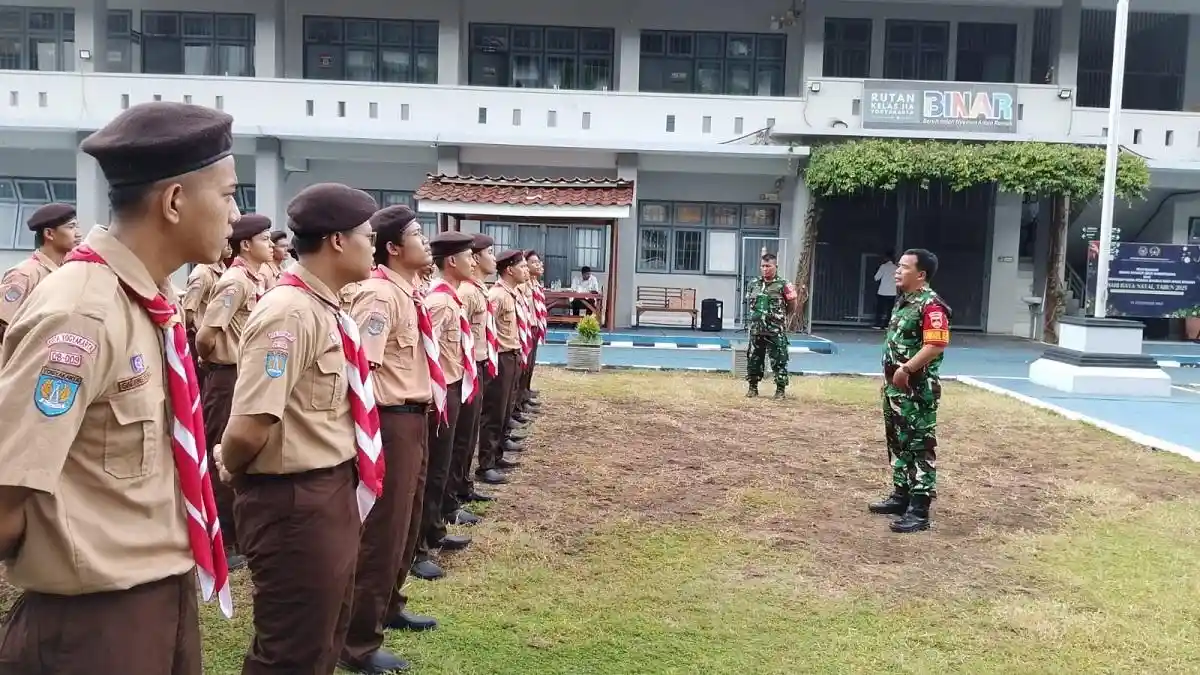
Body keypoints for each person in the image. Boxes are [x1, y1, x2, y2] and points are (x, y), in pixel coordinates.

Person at [0, 100, 237, 673]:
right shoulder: (83, 313)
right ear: (175, 201)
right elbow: (6, 491)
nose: (237, 214)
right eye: (229, 194)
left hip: (163, 592)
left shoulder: (154, 302)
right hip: (92, 624)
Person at [215, 182, 383, 674]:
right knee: (292, 648)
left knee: (324, 631)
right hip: (293, 501)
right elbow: (249, 425)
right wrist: (232, 466)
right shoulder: (288, 312)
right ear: (337, 241)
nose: (371, 246)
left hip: (326, 489)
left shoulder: (324, 306)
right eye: (366, 236)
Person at [339, 205, 438, 672]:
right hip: (390, 419)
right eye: (418, 234)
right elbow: (362, 372)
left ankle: (388, 606)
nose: (427, 241)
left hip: (413, 417)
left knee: (406, 520)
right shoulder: (380, 296)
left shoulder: (409, 292)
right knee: (383, 530)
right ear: (393, 248)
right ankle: (357, 640)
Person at [195, 213, 274, 571]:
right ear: (246, 245)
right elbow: (206, 335)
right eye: (265, 239)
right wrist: (215, 366)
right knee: (221, 452)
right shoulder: (234, 282)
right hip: (227, 375)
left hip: (243, 374)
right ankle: (224, 537)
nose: (271, 245)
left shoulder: (255, 278)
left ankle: (240, 530)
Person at [868, 248, 950, 534]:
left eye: (904, 267)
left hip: (916, 390)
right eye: (898, 266)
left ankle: (919, 509)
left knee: (919, 446)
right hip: (895, 390)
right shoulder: (905, 302)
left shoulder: (932, 305)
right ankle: (901, 495)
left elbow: (936, 343)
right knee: (898, 443)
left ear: (921, 274)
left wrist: (906, 369)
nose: (897, 271)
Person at [418, 231, 482, 578]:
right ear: (452, 261)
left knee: (447, 462)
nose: (473, 262)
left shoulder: (451, 297)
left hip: (455, 383)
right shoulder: (439, 301)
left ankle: (435, 530)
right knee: (435, 469)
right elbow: (423, 351)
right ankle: (420, 546)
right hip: (441, 391)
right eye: (468, 256)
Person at [448, 233, 500, 498]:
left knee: (468, 435)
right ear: (476, 258)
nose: (494, 258)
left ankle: (463, 484)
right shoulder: (467, 292)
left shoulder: (478, 289)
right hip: (467, 368)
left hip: (479, 364)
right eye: (490, 253)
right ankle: (456, 489)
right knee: (462, 437)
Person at [476, 249, 528, 485]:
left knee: (505, 409)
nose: (525, 270)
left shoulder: (511, 293)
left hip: (512, 354)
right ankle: (486, 463)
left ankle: (496, 456)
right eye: (522, 266)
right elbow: (488, 330)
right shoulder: (496, 295)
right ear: (509, 269)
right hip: (501, 356)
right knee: (494, 412)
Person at [0, 203, 81, 342]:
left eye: (77, 226)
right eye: (71, 227)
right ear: (49, 233)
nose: (78, 233)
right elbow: (3, 326)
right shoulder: (24, 275)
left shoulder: (67, 272)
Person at [744, 253, 798, 399]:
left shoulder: (784, 284)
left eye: (768, 266)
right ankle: (752, 388)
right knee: (754, 358)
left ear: (776, 267)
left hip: (775, 330)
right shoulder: (753, 284)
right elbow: (750, 304)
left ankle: (780, 390)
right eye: (763, 266)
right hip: (757, 329)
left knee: (780, 359)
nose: (765, 269)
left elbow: (792, 304)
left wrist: (784, 318)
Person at [872, 250, 898, 329]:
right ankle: (887, 325)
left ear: (886, 258)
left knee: (880, 308)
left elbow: (876, 278)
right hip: (892, 292)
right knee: (890, 309)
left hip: (882, 291)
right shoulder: (896, 268)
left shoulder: (883, 267)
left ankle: (878, 324)